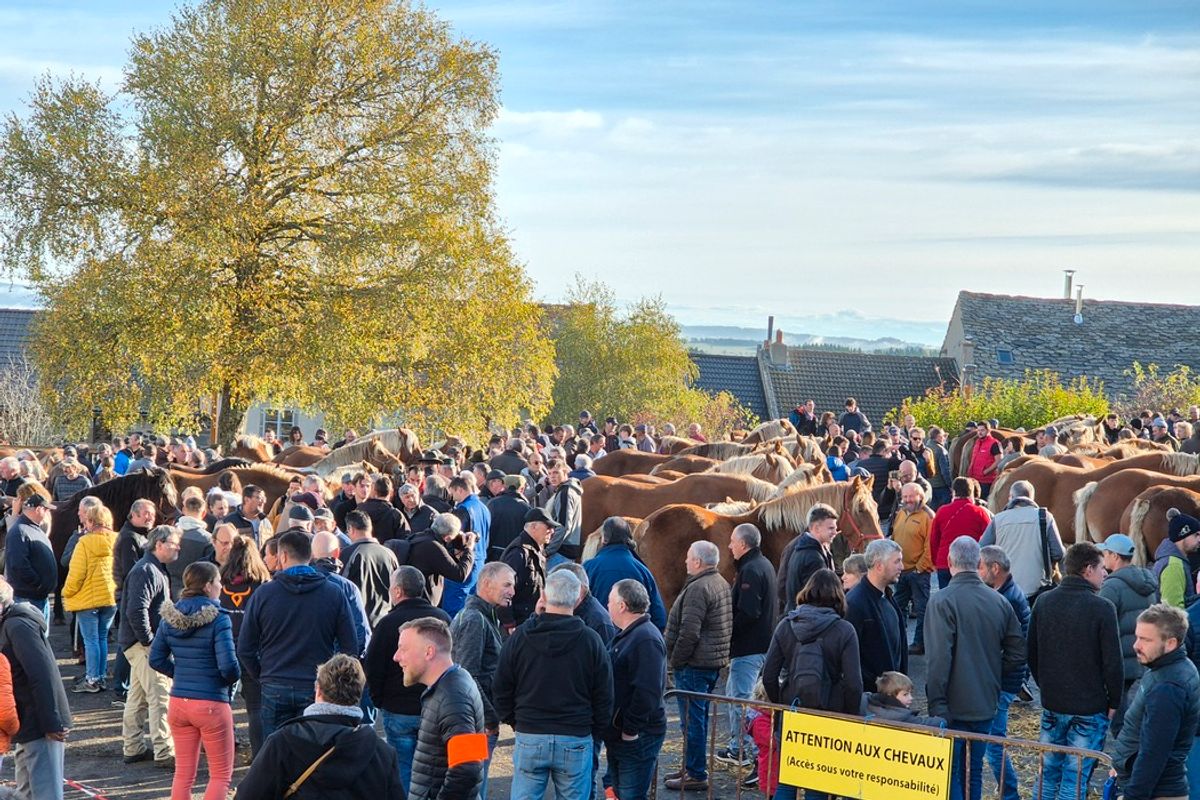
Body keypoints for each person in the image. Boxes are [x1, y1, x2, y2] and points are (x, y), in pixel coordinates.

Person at [494, 569, 613, 800]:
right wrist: (593, 729)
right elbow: (604, 694)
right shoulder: (591, 640)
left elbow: (501, 686)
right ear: (577, 597)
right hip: (575, 736)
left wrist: (515, 721)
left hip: (531, 733)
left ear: (544, 595)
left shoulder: (520, 638)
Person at [925, 536, 1025, 800]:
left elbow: (938, 659)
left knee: (951, 773)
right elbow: (1017, 652)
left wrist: (936, 702)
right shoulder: (999, 601)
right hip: (985, 702)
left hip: (951, 705)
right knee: (973, 771)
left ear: (949, 561)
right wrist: (992, 674)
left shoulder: (941, 601)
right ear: (979, 562)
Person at [237, 530, 359, 739]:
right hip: (316, 684)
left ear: (283, 556)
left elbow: (245, 648)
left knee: (276, 750)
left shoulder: (264, 594)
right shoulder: (333, 593)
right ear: (311, 555)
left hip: (274, 681)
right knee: (312, 750)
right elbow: (350, 647)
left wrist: (263, 674)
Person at [1027, 542, 1124, 800]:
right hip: (1089, 708)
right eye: (1101, 568)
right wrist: (1114, 701)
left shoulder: (1043, 602)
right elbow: (1113, 662)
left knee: (1047, 773)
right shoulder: (1102, 608)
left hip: (1053, 703)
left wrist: (1046, 686)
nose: (1105, 573)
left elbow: (1031, 652)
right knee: (1074, 777)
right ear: (1088, 569)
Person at [235, 654, 404, 799]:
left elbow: (248, 796)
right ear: (358, 695)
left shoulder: (283, 742)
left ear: (318, 689)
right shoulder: (382, 753)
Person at [763, 569, 862, 800]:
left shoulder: (786, 625)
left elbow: (768, 676)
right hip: (828, 713)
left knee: (787, 779)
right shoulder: (844, 630)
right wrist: (849, 715)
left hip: (792, 709)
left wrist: (781, 704)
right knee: (818, 783)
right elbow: (854, 684)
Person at [150, 562, 239, 800]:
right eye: (218, 581)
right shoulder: (219, 619)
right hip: (211, 702)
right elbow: (229, 666)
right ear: (208, 586)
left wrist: (180, 674)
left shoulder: (169, 617)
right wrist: (228, 680)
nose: (221, 586)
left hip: (179, 702)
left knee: (183, 774)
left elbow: (156, 659)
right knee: (220, 775)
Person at [364, 565, 452, 787]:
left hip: (398, 708)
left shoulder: (387, 624)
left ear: (398, 591)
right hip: (436, 708)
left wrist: (379, 700)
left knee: (403, 769)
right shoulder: (442, 619)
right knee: (436, 769)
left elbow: (373, 666)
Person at [1111, 604, 1200, 800]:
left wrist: (1133, 795)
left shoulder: (1168, 686)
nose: (1136, 645)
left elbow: (1154, 752)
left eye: (1145, 639)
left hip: (1156, 792)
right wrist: (1122, 764)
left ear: (1170, 643)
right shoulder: (1164, 668)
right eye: (1137, 637)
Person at [663, 540, 732, 792]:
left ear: (698, 562)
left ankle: (695, 773)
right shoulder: (720, 582)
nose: (685, 561)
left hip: (694, 665)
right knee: (698, 720)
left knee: (692, 722)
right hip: (709, 663)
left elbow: (689, 632)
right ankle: (691, 766)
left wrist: (676, 661)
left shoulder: (698, 588)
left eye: (689, 556)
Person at [398, 618, 487, 800]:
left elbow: (468, 767)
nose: (397, 657)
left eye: (403, 649)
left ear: (429, 652)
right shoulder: (452, 684)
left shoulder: (453, 696)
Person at [450, 561, 515, 797]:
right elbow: (467, 675)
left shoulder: (486, 616)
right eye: (507, 585)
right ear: (486, 584)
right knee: (471, 788)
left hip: (477, 721)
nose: (512, 591)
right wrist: (489, 719)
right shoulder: (475, 619)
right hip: (473, 724)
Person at [120, 525, 181, 768]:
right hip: (143, 645)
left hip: (139, 644)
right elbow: (136, 610)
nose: (178, 548)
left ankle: (133, 747)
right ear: (159, 544)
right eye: (174, 543)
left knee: (137, 698)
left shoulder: (152, 568)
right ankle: (164, 752)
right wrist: (150, 642)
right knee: (160, 696)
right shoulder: (147, 570)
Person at [717, 523, 775, 768]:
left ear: (743, 544)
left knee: (741, 698)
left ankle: (745, 750)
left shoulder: (750, 570)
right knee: (738, 695)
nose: (729, 546)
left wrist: (727, 633)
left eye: (732, 542)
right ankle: (740, 747)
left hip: (748, 648)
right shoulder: (764, 565)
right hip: (759, 645)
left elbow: (749, 612)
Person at [606, 579, 668, 800]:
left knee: (630, 794)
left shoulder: (645, 639)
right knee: (620, 791)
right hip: (623, 732)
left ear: (622, 605)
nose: (607, 606)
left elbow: (647, 692)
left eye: (610, 601)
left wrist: (630, 730)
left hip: (638, 735)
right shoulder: (630, 634)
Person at [976, 545, 1028, 800]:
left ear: (994, 568)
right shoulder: (1008, 593)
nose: (977, 572)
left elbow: (1014, 651)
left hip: (1001, 682)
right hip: (1005, 680)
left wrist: (991, 674)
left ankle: (1009, 793)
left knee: (994, 742)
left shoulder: (1007, 600)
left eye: (980, 567)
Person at [1097, 533, 1159, 736]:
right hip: (1142, 654)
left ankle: (1126, 748)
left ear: (1115, 556)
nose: (1103, 557)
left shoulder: (1111, 586)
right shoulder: (1148, 581)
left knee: (1118, 713)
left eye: (1105, 553)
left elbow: (1101, 623)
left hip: (1120, 658)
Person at [217, 533, 271, 756]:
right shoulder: (263, 586)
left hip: (224, 648)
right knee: (255, 707)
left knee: (222, 702)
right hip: (253, 650)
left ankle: (222, 752)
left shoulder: (220, 582)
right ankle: (258, 755)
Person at [61, 503, 118, 693]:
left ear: (91, 521)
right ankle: (99, 676)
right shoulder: (117, 540)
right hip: (110, 597)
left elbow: (76, 574)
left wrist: (66, 592)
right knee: (102, 638)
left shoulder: (85, 542)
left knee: (91, 640)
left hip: (88, 599)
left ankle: (92, 679)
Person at [979, 480, 1065, 597]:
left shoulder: (998, 519)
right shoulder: (1045, 517)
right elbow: (1058, 553)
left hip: (1005, 589)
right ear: (1032, 497)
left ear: (1010, 497)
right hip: (1038, 589)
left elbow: (982, 550)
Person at [583, 516, 667, 630]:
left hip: (597, 636)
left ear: (603, 540)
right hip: (634, 637)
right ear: (628, 538)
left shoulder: (588, 567)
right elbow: (659, 617)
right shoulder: (643, 570)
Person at [845, 538, 907, 693]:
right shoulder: (855, 603)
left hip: (890, 694)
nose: (902, 567)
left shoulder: (887, 596)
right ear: (879, 566)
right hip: (873, 698)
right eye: (897, 561)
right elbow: (849, 657)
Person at [890, 482, 934, 654]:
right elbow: (894, 537)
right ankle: (898, 641)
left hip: (918, 573)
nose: (907, 500)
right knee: (897, 608)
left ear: (920, 497)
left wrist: (919, 568)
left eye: (911, 496)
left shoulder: (927, 517)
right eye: (905, 496)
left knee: (922, 610)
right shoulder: (901, 513)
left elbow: (930, 546)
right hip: (900, 571)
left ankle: (919, 644)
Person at [4, 492, 57, 625]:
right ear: (38, 509)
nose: (48, 514)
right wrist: (37, 583)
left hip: (38, 596)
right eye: (46, 510)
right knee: (32, 634)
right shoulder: (19, 531)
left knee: (40, 634)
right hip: (28, 597)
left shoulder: (32, 528)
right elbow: (18, 564)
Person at [929, 477, 992, 588]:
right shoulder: (979, 512)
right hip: (971, 564)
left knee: (947, 596)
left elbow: (934, 539)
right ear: (971, 492)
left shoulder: (942, 511)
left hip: (945, 562)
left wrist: (935, 561)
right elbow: (990, 537)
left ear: (954, 492)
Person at [405, 512, 477, 608]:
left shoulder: (419, 537)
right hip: (423, 603)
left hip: (411, 597)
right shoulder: (434, 547)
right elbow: (460, 574)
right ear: (447, 538)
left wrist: (455, 553)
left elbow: (440, 562)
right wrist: (469, 549)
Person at [342, 511, 400, 630]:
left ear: (351, 529)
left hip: (359, 623)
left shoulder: (348, 554)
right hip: (386, 621)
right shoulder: (389, 553)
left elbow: (341, 587)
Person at [500, 507, 554, 627]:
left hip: (529, 621)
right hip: (518, 624)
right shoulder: (518, 553)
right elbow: (504, 590)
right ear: (534, 527)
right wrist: (509, 623)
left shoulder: (535, 550)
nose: (551, 531)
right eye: (548, 527)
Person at [779, 503, 837, 613]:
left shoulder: (801, 549)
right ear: (816, 528)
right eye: (831, 528)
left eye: (835, 528)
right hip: (809, 618)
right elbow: (818, 597)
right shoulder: (814, 558)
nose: (835, 532)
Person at [550, 561, 617, 646]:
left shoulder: (598, 622)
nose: (554, 595)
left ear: (579, 589)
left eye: (560, 588)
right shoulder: (568, 610)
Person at [167, 494, 214, 599]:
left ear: (183, 510)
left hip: (170, 592)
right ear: (204, 513)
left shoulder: (169, 535)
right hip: (197, 594)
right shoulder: (208, 539)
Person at [861, 671, 945, 727]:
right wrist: (942, 720)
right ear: (890, 695)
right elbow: (928, 723)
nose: (911, 698)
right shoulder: (901, 717)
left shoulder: (866, 703)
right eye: (905, 694)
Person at [1154, 510, 1200, 608]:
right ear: (1183, 534)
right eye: (1196, 535)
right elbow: (1173, 609)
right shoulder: (1174, 566)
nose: (1199, 539)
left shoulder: (1176, 561)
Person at [542, 461, 582, 570]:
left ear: (565, 472)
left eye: (556, 472)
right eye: (549, 473)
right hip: (565, 550)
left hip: (560, 552)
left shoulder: (565, 492)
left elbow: (564, 525)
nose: (552, 477)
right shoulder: (568, 490)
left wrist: (547, 551)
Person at [484, 470, 529, 560]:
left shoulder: (492, 503)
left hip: (492, 554)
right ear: (522, 489)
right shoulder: (526, 507)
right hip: (516, 555)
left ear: (504, 486)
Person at [964, 421, 1003, 500]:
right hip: (974, 479)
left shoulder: (994, 443)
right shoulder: (977, 442)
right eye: (978, 430)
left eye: (982, 430)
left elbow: (999, 460)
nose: (980, 432)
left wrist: (986, 472)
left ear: (988, 430)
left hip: (986, 482)